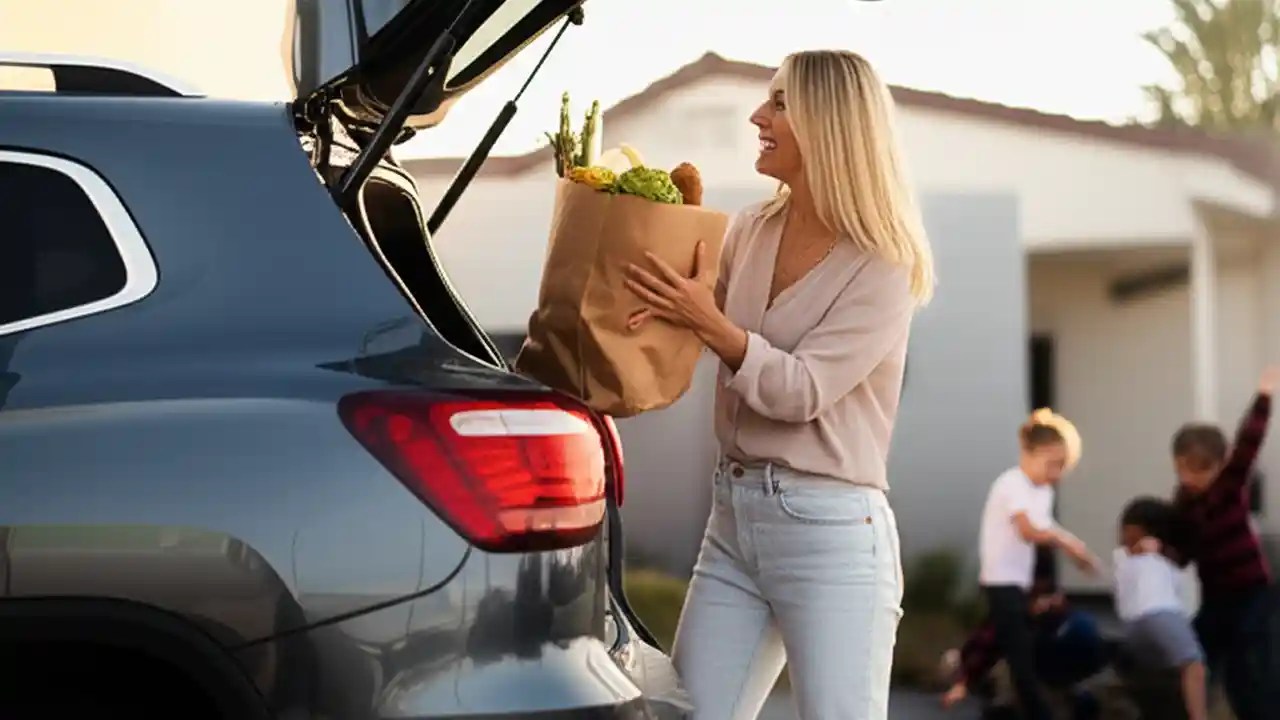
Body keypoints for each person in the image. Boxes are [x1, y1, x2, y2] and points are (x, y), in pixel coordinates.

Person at [623, 50, 934, 719]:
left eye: (781, 103)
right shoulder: (750, 229)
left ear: (830, 123)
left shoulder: (884, 265)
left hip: (829, 531)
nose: (758, 116)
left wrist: (707, 321)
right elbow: (702, 331)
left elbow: (800, 391)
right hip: (734, 518)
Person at [1167, 366, 1278, 720]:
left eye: (1201, 470)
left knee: (1248, 661)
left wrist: (1263, 396)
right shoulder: (1183, 502)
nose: (1192, 478)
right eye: (1185, 470)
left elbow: (1249, 441)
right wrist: (1160, 551)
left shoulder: (1229, 485)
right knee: (1198, 654)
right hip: (1215, 597)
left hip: (1251, 592)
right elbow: (1183, 552)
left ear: (1218, 466)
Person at [976, 409, 1100, 720]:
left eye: (1063, 467)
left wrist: (1077, 549)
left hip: (1019, 584)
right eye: (1053, 464)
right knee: (1020, 660)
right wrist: (1066, 543)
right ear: (1028, 453)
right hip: (1000, 583)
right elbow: (1028, 530)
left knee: (1019, 650)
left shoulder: (1040, 490)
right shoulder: (1012, 484)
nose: (1057, 474)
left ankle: (996, 698)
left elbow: (1049, 527)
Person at [941, 553, 1106, 718]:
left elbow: (989, 643)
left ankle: (1007, 703)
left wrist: (966, 679)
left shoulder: (1020, 605)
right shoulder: (1047, 600)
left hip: (1057, 660)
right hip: (1077, 660)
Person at [1112, 497, 1207, 720]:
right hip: (1161, 614)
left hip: (1132, 627)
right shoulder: (1145, 553)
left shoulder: (1123, 557)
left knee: (1159, 679)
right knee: (1194, 665)